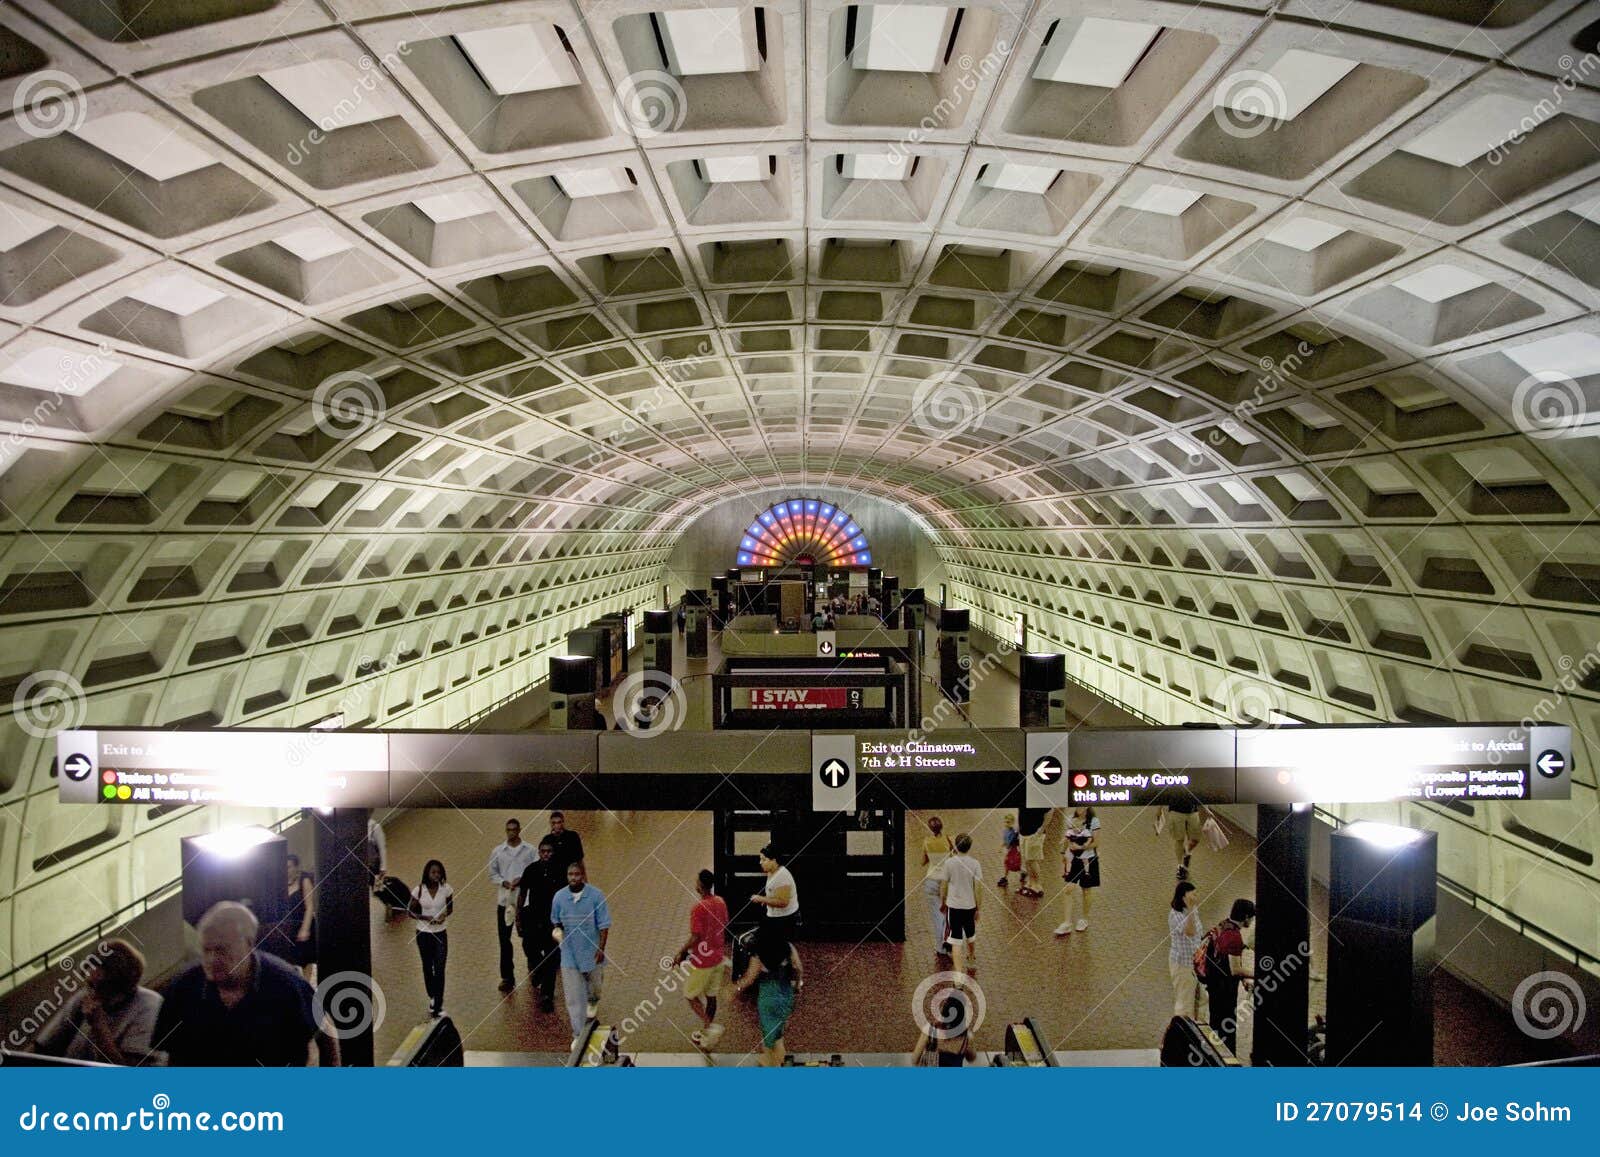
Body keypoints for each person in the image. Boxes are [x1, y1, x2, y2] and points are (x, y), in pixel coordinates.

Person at [152, 902, 339, 1067]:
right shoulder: (183, 986)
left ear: (249, 943)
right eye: (206, 950)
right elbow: (169, 1055)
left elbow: (325, 1032)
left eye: (221, 949)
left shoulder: (286, 983)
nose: (212, 959)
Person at [30, 939, 162, 1065]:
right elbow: (42, 1047)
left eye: (100, 987)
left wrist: (99, 1027)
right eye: (90, 985)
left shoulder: (149, 1006)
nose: (92, 993)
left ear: (120, 985)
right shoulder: (85, 996)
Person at [550, 860, 611, 1042]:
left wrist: (601, 948)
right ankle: (579, 1035)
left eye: (577, 874)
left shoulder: (596, 896)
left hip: (591, 953)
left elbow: (604, 925)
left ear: (583, 875)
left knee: (595, 989)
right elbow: (556, 921)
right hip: (570, 956)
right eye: (570, 875)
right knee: (574, 999)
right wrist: (558, 932)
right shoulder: (559, 897)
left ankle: (593, 1001)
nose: (573, 878)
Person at [673, 868, 729, 1049]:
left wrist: (681, 952)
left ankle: (710, 1028)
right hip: (718, 957)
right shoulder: (720, 902)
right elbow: (724, 923)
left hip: (702, 961)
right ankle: (706, 1035)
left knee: (690, 995)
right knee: (711, 996)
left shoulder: (698, 908)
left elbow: (695, 936)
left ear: (699, 886)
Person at [733, 926, 803, 1067]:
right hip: (785, 994)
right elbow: (798, 968)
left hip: (769, 996)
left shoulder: (759, 952)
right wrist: (797, 986)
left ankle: (772, 1063)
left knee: (770, 1038)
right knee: (778, 1033)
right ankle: (772, 1061)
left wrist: (735, 989)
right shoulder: (788, 947)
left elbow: (749, 978)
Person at [516, 837, 565, 1012]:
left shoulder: (560, 871)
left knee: (552, 954)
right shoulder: (531, 870)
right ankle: (539, 969)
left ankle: (547, 995)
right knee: (528, 946)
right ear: (539, 853)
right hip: (533, 916)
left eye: (549, 851)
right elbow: (522, 894)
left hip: (552, 919)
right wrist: (518, 916)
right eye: (543, 851)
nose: (546, 854)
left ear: (553, 853)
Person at [488, 818, 537, 993]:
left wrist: (523, 879)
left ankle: (534, 967)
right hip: (505, 901)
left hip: (525, 902)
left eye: (515, 829)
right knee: (504, 940)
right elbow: (492, 873)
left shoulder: (530, 851)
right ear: (505, 831)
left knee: (528, 937)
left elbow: (536, 871)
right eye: (508, 830)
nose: (512, 832)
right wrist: (503, 882)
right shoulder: (497, 852)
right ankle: (507, 977)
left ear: (519, 830)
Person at [1203, 898, 1256, 1054]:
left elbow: (1226, 961)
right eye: (1251, 917)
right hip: (1224, 992)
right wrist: (1256, 975)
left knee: (1215, 1024)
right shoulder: (1234, 938)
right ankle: (1226, 1060)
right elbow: (1235, 969)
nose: (1252, 921)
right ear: (1245, 917)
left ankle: (1213, 1055)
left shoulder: (1223, 925)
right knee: (1226, 1029)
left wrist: (1244, 979)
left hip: (1213, 986)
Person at [261, 853, 316, 981]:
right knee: (290, 958)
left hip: (303, 923)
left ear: (296, 867)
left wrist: (305, 928)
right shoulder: (281, 883)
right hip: (289, 926)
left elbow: (310, 906)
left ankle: (307, 985)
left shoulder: (304, 879)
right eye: (284, 868)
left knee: (306, 959)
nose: (286, 870)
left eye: (289, 867)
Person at [409, 859, 453, 1017]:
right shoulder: (419, 890)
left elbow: (450, 908)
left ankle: (439, 1004)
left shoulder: (446, 889)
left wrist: (444, 915)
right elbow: (410, 912)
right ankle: (432, 996)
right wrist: (425, 918)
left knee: (440, 968)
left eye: (439, 872)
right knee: (428, 967)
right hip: (423, 934)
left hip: (440, 933)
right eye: (433, 872)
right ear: (427, 873)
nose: (436, 875)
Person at [939, 833, 982, 976]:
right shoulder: (975, 864)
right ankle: (971, 956)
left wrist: (943, 901)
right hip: (969, 906)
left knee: (955, 939)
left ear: (956, 846)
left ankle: (958, 974)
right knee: (970, 933)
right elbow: (978, 888)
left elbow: (944, 885)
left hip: (954, 906)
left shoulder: (949, 863)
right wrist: (978, 908)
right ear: (969, 847)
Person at [1054, 806, 1101, 935]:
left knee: (1086, 890)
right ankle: (1067, 922)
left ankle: (1084, 919)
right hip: (1073, 860)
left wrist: (1080, 847)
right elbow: (1067, 838)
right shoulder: (1070, 819)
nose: (1080, 808)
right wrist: (1063, 853)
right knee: (1068, 889)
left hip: (1088, 859)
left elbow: (1096, 843)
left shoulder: (1094, 821)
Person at [910, 991, 978, 1067]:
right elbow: (971, 1059)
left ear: (944, 1009)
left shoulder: (930, 1031)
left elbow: (914, 1059)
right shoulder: (967, 1037)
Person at [1168, 880, 1204, 1021]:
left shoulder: (1193, 909)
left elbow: (1198, 933)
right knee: (1184, 1004)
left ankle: (1199, 1028)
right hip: (1182, 965)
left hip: (1195, 963)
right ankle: (1182, 1033)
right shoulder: (1175, 915)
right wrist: (1190, 910)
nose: (1197, 897)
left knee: (1201, 999)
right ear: (1183, 898)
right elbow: (1190, 931)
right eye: (1193, 895)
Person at [749, 844, 799, 944]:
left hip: (784, 919)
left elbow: (783, 902)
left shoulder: (782, 877)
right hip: (774, 916)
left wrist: (761, 899)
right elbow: (774, 892)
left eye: (764, 859)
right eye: (760, 859)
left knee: (779, 946)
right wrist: (767, 900)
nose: (760, 862)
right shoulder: (771, 871)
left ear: (774, 860)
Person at [920, 816, 954, 954]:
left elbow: (922, 861)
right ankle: (948, 941)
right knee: (947, 914)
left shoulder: (927, 842)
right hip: (947, 880)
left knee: (937, 915)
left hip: (932, 880)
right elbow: (956, 855)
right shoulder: (948, 839)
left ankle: (940, 947)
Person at [1159, 800, 1209, 880]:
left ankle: (1186, 851)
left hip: (1193, 811)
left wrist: (1206, 809)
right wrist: (1159, 809)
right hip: (1176, 811)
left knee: (1196, 838)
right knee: (1179, 840)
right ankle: (1180, 866)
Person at [1016, 807, 1048, 897]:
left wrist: (1040, 831)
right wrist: (1018, 828)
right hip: (1023, 832)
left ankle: (1038, 886)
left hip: (1034, 834)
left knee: (1032, 860)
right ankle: (1030, 883)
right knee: (1026, 859)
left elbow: (1049, 812)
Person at [998, 813, 1020, 889]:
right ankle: (1005, 877)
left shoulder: (1013, 832)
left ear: (1012, 823)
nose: (1007, 824)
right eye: (1005, 822)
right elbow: (1005, 840)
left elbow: (1014, 841)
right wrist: (1001, 847)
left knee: (1013, 864)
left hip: (1013, 850)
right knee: (1007, 863)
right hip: (1008, 850)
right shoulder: (1005, 831)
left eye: (1008, 822)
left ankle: (1023, 872)